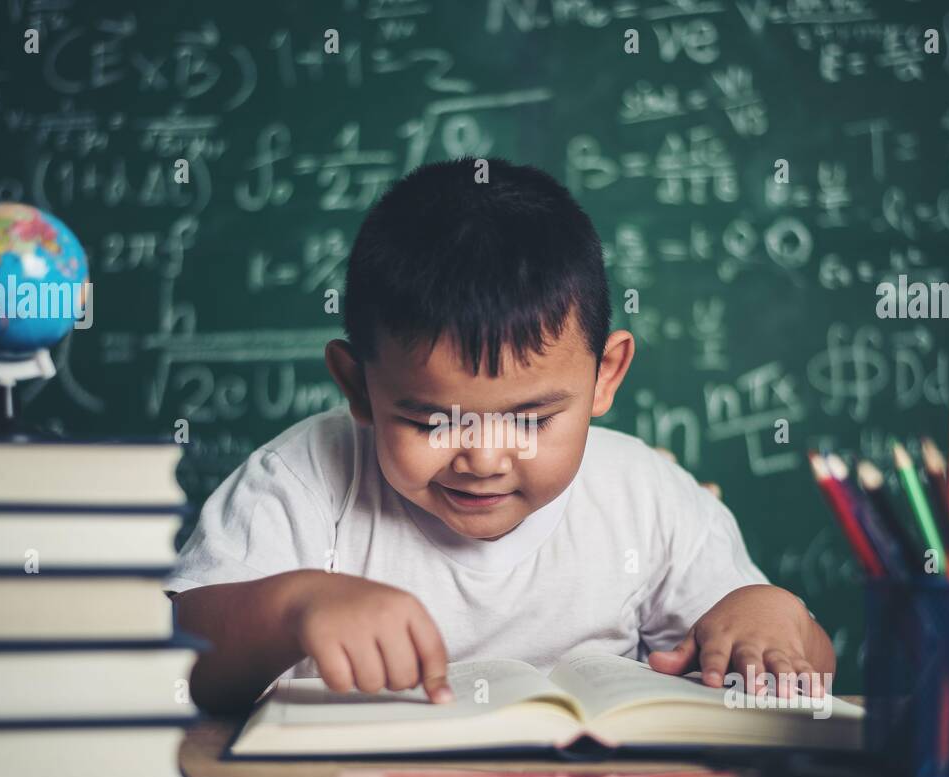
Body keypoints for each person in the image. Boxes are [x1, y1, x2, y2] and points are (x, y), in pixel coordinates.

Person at [166, 158, 835, 716]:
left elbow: (809, 670)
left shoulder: (646, 497)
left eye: (529, 419)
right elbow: (171, 661)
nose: (483, 458)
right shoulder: (301, 483)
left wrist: (773, 617)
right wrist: (293, 607)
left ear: (606, 376)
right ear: (357, 385)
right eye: (432, 421)